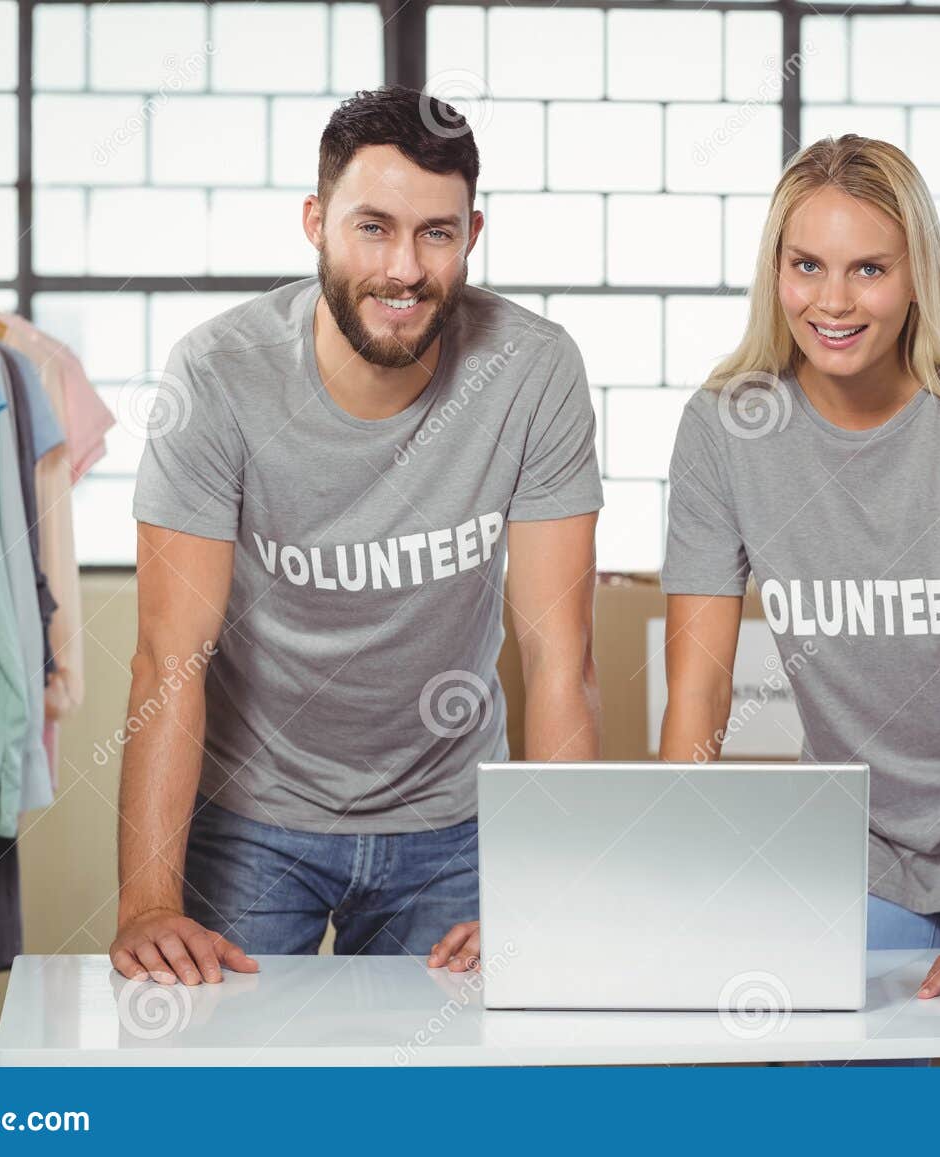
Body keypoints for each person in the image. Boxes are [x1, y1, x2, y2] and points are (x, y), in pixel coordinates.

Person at [108, 86, 603, 987]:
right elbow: (167, 654)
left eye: (436, 234)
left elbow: (560, 655)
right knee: (237, 1112)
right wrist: (147, 901)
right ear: (315, 223)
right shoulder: (217, 375)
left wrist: (549, 892)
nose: (405, 269)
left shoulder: (534, 370)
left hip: (453, 819)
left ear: (472, 234)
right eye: (372, 227)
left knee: (437, 1119)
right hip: (254, 816)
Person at [655, 135, 940, 1065]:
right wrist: (666, 902)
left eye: (868, 268)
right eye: (807, 266)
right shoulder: (726, 425)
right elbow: (696, 699)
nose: (832, 301)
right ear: (775, 270)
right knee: (863, 1089)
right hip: (862, 829)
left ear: (918, 275)